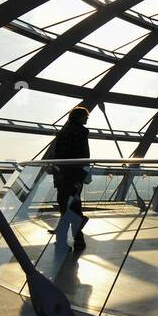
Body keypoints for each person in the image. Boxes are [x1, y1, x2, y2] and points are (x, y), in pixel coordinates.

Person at [51, 105, 90, 250]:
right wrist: (82, 175)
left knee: (67, 207)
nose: (87, 118)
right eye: (85, 116)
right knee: (74, 206)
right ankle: (77, 239)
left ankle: (66, 240)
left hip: (62, 176)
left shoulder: (63, 132)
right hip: (74, 177)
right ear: (80, 117)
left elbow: (58, 155)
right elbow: (83, 157)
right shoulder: (80, 132)